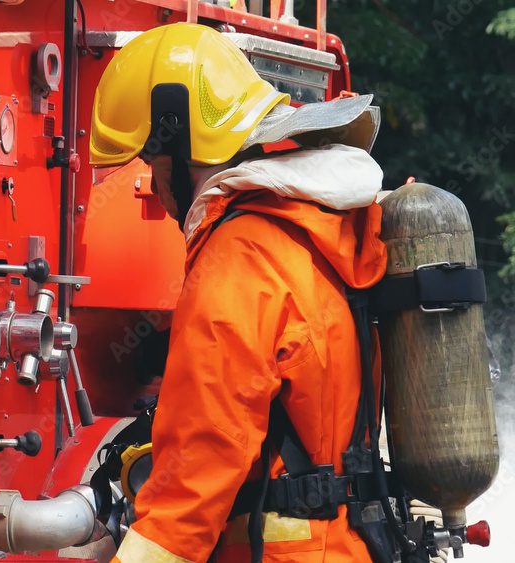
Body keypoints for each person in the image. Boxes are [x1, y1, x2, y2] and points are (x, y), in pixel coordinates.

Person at [89, 23, 390, 563]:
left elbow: (190, 493)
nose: (154, 188)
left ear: (175, 146)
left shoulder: (237, 258)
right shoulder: (326, 229)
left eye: (148, 162)